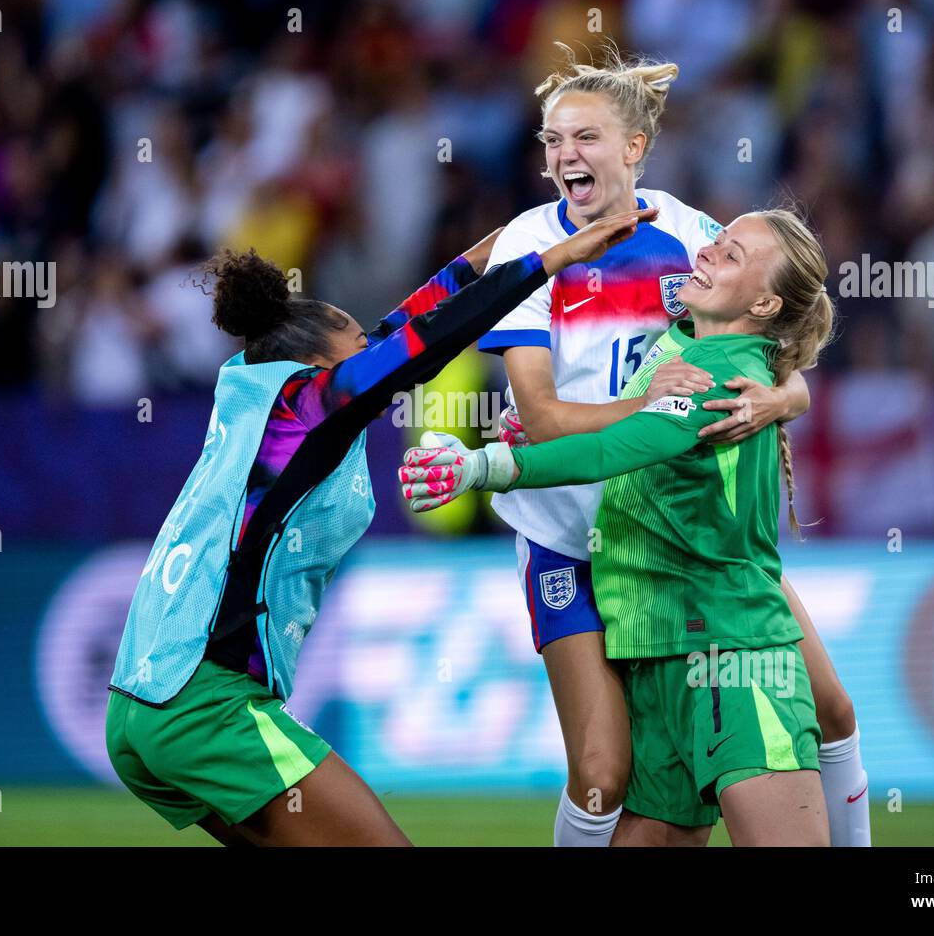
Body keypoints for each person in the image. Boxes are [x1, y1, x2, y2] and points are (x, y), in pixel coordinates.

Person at [104, 206, 656, 846]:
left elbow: (416, 317)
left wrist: (518, 234)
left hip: (141, 704)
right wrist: (553, 260)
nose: (373, 341)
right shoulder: (308, 404)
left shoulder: (257, 397)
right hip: (202, 702)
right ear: (317, 357)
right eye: (358, 336)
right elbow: (425, 344)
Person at [478, 44, 868, 846]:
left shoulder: (693, 235)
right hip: (566, 538)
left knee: (831, 707)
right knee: (601, 775)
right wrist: (647, 405)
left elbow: (776, 319)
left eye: (584, 137)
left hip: (677, 537)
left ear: (634, 148)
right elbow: (546, 422)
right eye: (551, 140)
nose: (563, 156)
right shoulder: (529, 246)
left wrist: (783, 396)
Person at [401, 209, 836, 845]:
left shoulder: (719, 374)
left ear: (766, 303)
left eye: (733, 255)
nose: (708, 251)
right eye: (718, 240)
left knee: (833, 721)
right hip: (657, 655)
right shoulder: (682, 332)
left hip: (733, 656)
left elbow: (614, 450)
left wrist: (483, 465)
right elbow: (612, 415)